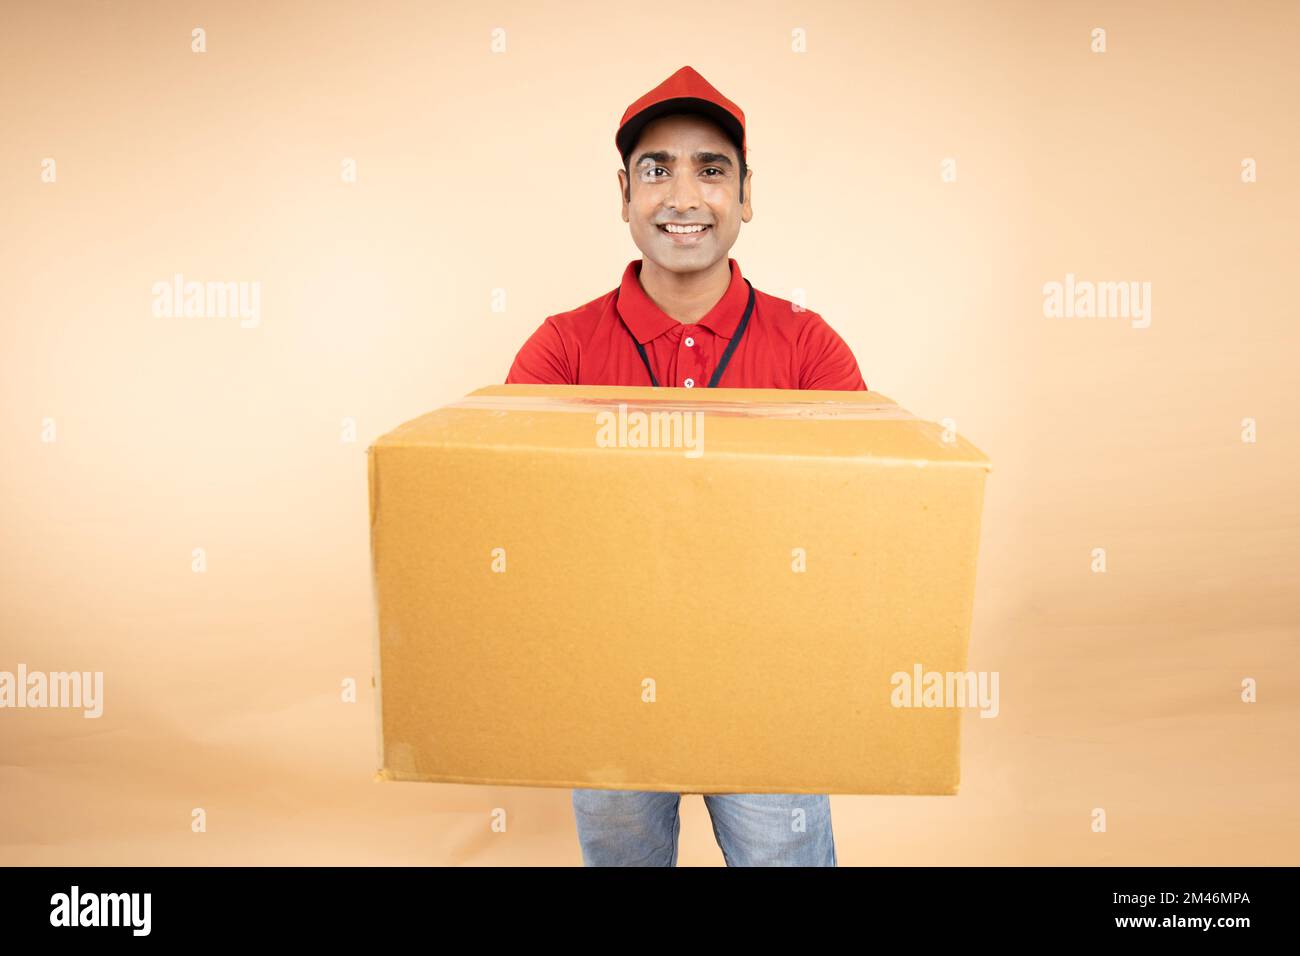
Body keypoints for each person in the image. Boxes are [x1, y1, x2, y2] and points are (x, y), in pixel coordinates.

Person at [505, 65, 866, 866]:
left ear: (745, 195)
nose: (683, 195)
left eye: (711, 169)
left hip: (769, 684)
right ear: (625, 193)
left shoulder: (808, 344)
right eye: (656, 169)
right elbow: (519, 515)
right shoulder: (561, 347)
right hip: (609, 686)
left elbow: (854, 517)